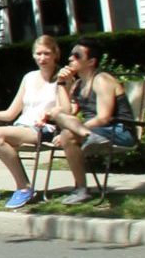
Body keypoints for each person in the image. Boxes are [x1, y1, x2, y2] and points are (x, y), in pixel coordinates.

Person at [0, 34, 65, 210]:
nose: (42, 58)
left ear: (55, 54)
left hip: (44, 129)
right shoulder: (29, 77)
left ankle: (24, 187)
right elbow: (11, 113)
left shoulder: (62, 78)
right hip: (20, 127)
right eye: (38, 53)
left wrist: (50, 115)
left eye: (47, 53)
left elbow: (67, 108)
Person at [49, 44, 131, 204]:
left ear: (91, 61)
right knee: (59, 119)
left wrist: (82, 129)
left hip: (120, 131)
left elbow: (104, 118)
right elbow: (66, 111)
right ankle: (81, 190)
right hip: (97, 132)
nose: (70, 58)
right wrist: (61, 83)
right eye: (71, 54)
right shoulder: (78, 85)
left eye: (77, 55)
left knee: (64, 128)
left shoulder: (102, 79)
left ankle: (81, 187)